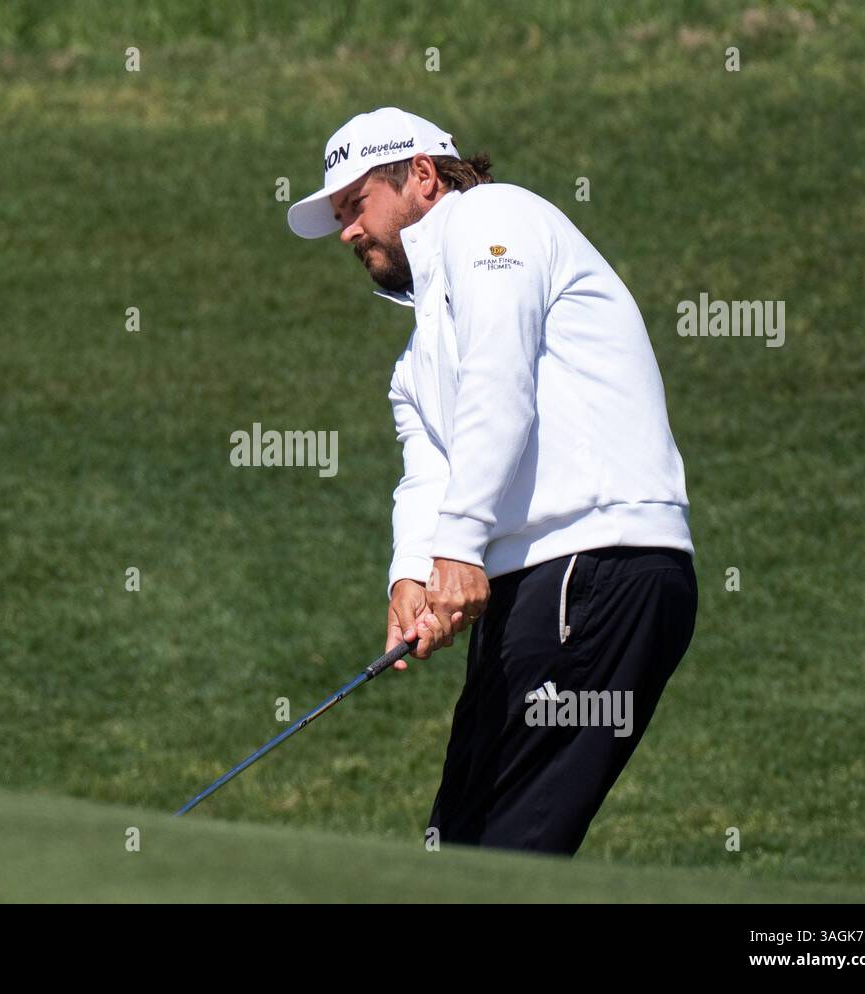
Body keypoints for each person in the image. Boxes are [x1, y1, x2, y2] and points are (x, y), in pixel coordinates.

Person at [286, 107, 699, 855]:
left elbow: (499, 383)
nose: (348, 231)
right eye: (340, 216)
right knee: (461, 849)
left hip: (594, 566)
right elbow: (427, 473)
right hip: (540, 587)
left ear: (422, 175)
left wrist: (460, 546)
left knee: (507, 857)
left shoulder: (492, 219)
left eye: (356, 205)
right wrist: (411, 576)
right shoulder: (415, 362)